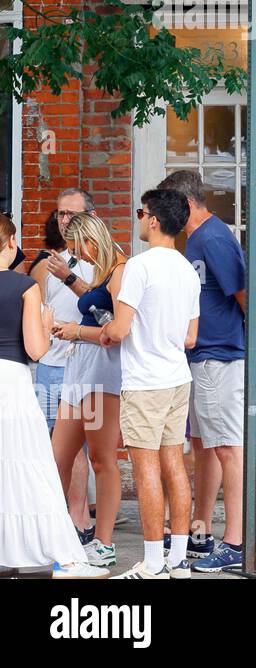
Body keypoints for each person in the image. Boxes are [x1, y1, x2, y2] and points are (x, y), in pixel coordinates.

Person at [156, 170, 256, 573]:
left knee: (228, 446)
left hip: (218, 356)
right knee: (204, 444)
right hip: (205, 357)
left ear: (187, 204)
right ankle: (204, 530)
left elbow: (246, 292)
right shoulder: (197, 238)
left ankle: (235, 541)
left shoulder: (211, 236)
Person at [100, 188, 201, 579]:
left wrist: (107, 328)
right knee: (174, 464)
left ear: (154, 220)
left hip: (145, 381)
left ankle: (154, 563)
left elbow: (121, 328)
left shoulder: (140, 267)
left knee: (145, 470)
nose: (139, 217)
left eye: (141, 212)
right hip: (178, 376)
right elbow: (191, 338)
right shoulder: (187, 269)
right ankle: (177, 560)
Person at [0, 213, 107, 578]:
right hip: (11, 382)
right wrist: (46, 325)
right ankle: (57, 554)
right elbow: (35, 349)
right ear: (11, 243)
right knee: (31, 466)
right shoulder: (22, 286)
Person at [49, 213, 126, 568]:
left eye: (79, 250)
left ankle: (104, 541)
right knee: (57, 459)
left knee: (101, 458)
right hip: (79, 368)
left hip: (101, 371)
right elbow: (95, 306)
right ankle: (50, 532)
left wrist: (74, 331)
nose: (78, 256)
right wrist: (69, 279)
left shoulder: (121, 271)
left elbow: (117, 334)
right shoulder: (101, 272)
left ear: (92, 242)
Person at [32, 189, 96, 538]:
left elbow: (108, 311)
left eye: (72, 214)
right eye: (60, 213)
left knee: (82, 447)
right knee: (51, 444)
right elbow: (37, 310)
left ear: (91, 216)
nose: (65, 220)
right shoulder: (46, 261)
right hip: (52, 366)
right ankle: (55, 518)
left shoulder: (103, 260)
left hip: (88, 366)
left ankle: (80, 518)